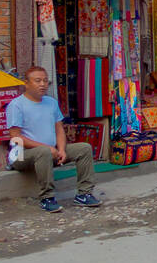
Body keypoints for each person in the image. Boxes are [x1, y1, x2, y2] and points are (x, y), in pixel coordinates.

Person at [6, 66, 100, 214]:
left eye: (45, 81)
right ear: (26, 83)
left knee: (84, 148)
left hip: (51, 151)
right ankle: (47, 198)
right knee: (43, 151)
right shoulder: (16, 105)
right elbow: (16, 137)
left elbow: (59, 129)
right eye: (37, 81)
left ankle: (84, 194)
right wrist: (48, 148)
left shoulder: (51, 102)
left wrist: (61, 149)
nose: (42, 84)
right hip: (22, 155)